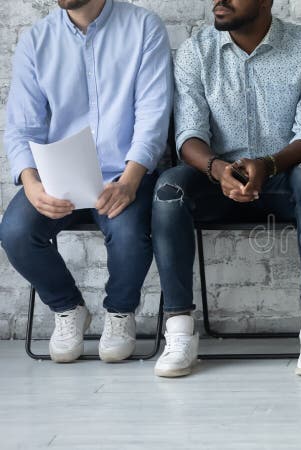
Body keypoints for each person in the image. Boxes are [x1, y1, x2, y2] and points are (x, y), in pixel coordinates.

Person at [151, 0, 301, 378]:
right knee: (169, 189)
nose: (220, 1)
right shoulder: (195, 51)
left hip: (284, 175)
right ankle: (179, 332)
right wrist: (217, 168)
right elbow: (188, 134)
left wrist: (267, 165)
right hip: (215, 178)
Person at [0, 0, 172, 363]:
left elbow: (153, 112)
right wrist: (31, 183)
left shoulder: (144, 27)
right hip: (58, 175)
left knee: (128, 235)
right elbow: (22, 125)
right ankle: (68, 308)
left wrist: (130, 179)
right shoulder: (38, 39)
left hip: (125, 172)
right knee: (15, 232)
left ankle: (119, 313)